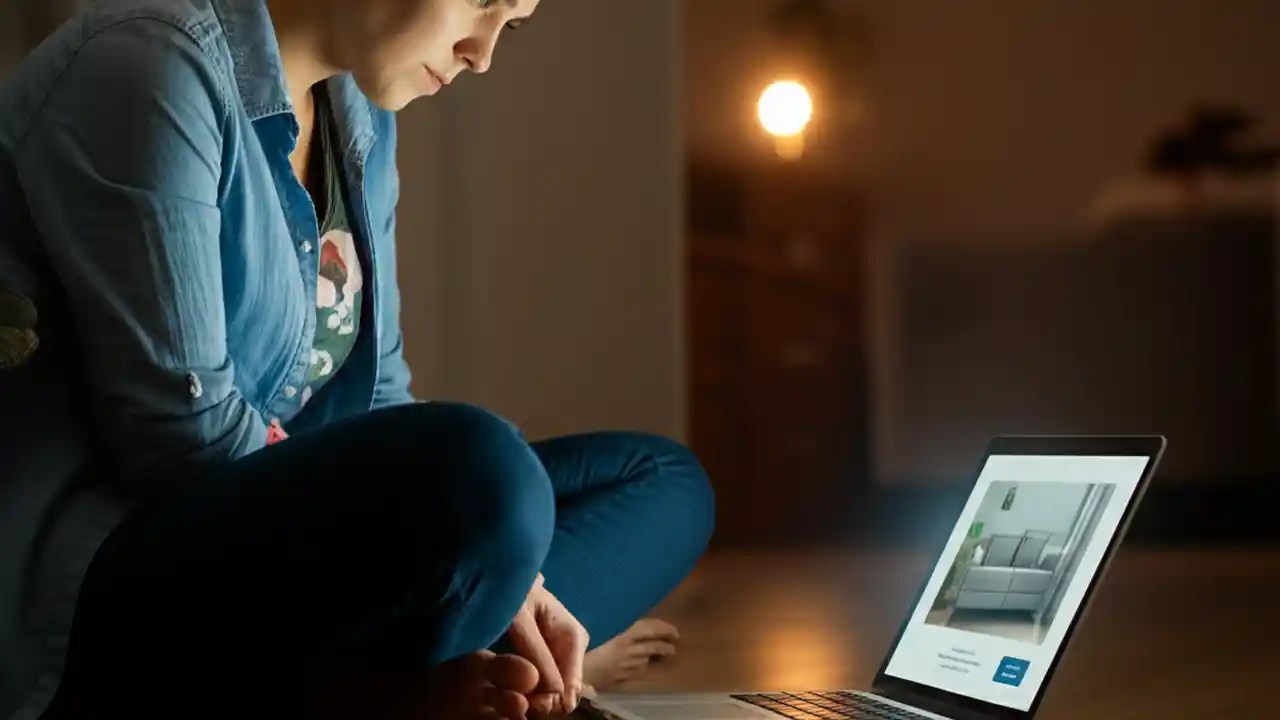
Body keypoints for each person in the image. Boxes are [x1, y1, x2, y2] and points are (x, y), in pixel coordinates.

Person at [0, 0, 715, 717]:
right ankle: (404, 689)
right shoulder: (150, 63)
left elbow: (376, 397)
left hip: (277, 553)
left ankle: (464, 677)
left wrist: (513, 572)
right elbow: (183, 441)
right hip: (113, 582)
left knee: (661, 482)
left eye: (514, 22)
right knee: (485, 474)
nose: (483, 51)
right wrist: (501, 552)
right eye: (482, 4)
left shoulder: (359, 114)